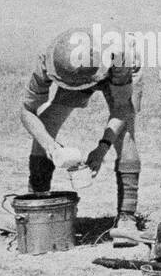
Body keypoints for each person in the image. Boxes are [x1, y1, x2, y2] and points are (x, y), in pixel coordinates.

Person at [20, 28, 143, 236]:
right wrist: (49, 145)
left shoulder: (121, 56)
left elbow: (121, 109)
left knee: (126, 134)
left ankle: (126, 217)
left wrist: (102, 148)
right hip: (82, 70)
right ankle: (37, 202)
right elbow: (27, 111)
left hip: (116, 71)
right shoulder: (48, 59)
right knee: (47, 123)